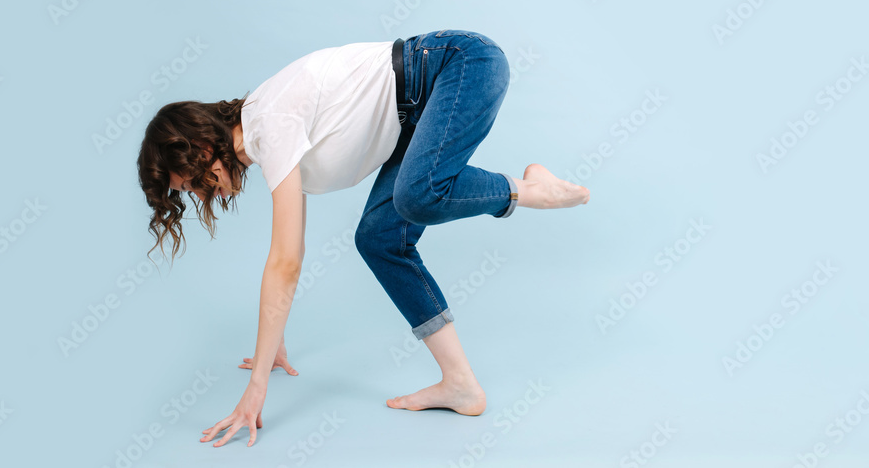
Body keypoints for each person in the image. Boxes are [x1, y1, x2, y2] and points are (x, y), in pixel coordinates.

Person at [136, 29, 589, 448]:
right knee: (379, 238)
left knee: (418, 194)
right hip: (415, 116)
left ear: (200, 147)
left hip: (460, 64)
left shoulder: (267, 125)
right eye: (189, 192)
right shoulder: (263, 136)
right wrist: (270, 344)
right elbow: (287, 250)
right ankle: (461, 385)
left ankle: (527, 189)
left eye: (192, 181)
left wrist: (256, 391)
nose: (201, 193)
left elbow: (286, 261)